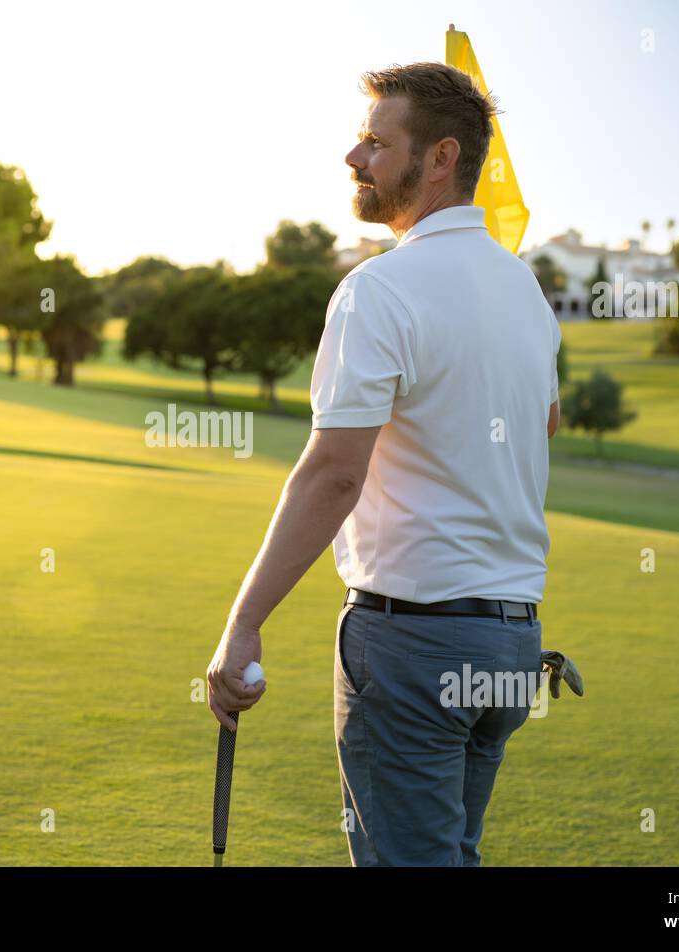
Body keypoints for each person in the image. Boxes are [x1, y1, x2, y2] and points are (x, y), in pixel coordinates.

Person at [206, 61, 562, 866]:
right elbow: (544, 422)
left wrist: (244, 623)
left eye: (375, 141)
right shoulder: (528, 292)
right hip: (510, 648)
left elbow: (336, 473)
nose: (353, 158)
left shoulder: (379, 289)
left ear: (440, 158)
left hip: (415, 646)